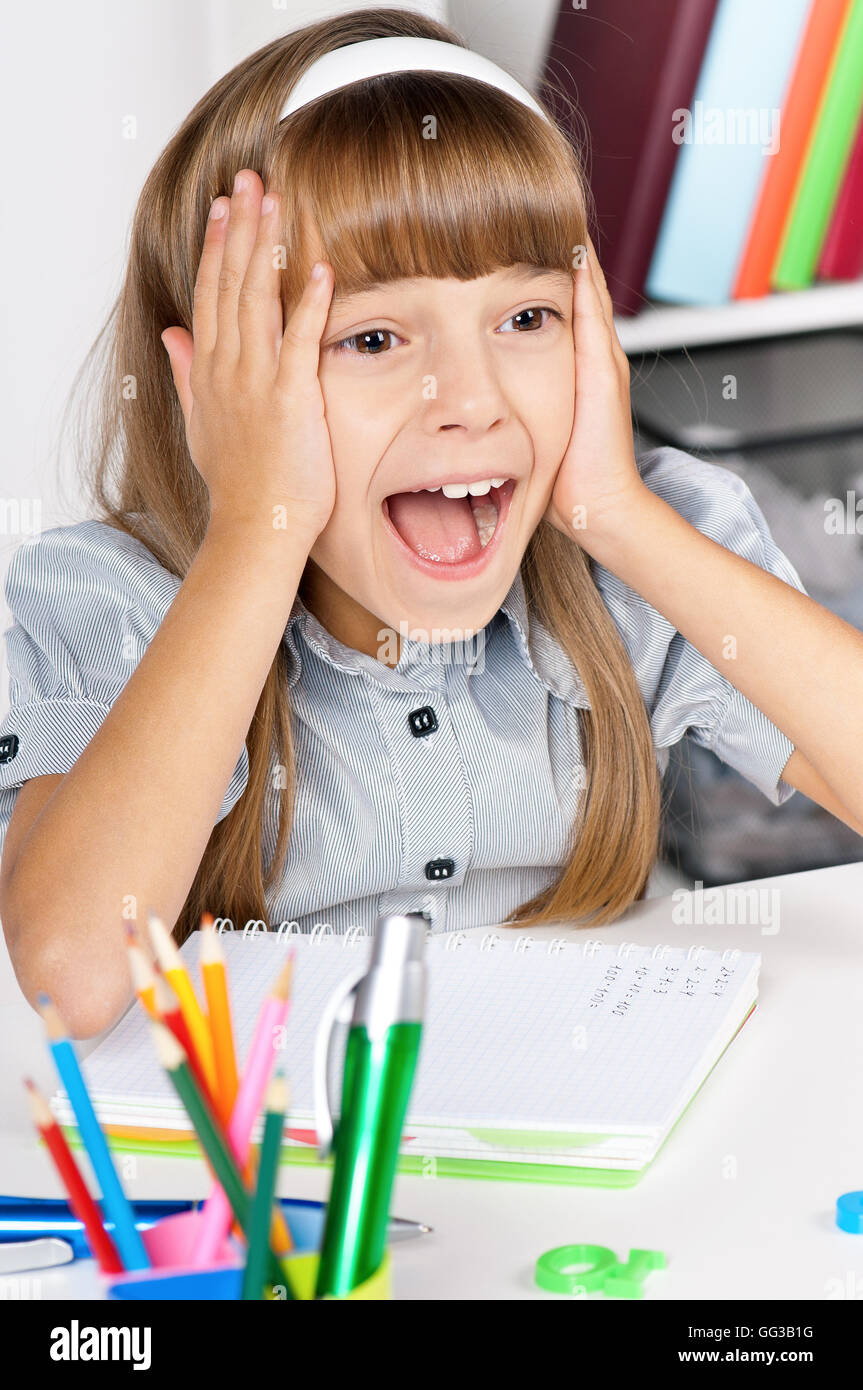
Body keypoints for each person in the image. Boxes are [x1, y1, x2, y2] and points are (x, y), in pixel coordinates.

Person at [1, 9, 861, 1038]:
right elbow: (70, 976)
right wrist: (256, 531)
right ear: (215, 394)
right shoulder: (104, 601)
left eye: (526, 320)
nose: (470, 397)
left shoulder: (633, 563)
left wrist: (617, 516)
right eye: (371, 337)